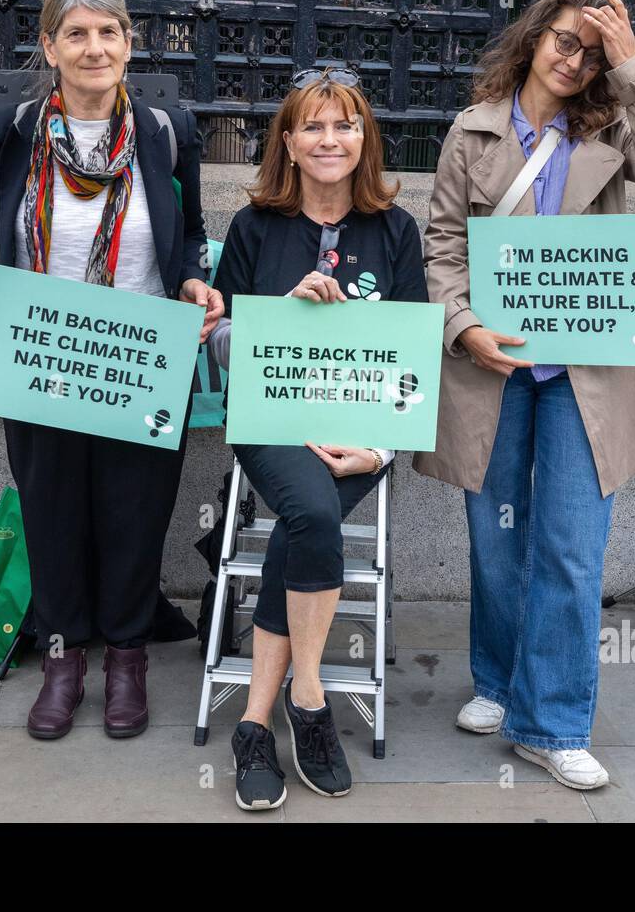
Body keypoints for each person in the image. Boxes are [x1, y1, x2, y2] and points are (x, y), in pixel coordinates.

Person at [412, 0, 635, 789]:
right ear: (534, 37)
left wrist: (632, 66)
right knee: (497, 539)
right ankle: (498, 682)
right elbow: (442, 245)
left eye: (592, 51)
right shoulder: (473, 132)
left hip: (585, 372)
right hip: (491, 368)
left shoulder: (610, 126)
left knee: (570, 546)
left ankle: (556, 721)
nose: (574, 59)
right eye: (565, 40)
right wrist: (461, 326)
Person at [0, 0, 222, 741]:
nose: (94, 47)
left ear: (129, 45)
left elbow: (190, 232)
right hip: (39, 358)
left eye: (109, 32)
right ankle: (65, 663)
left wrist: (195, 282)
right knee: (53, 512)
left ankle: (128, 659)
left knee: (137, 516)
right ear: (50, 45)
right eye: (77, 33)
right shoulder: (9, 135)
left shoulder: (169, 131)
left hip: (141, 358)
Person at [207, 67, 428, 810]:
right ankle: (307, 699)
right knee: (311, 513)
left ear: (364, 139)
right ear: (289, 143)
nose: (329, 139)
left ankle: (253, 728)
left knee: (308, 518)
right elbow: (221, 342)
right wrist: (282, 312)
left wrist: (382, 451)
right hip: (272, 421)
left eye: (345, 125)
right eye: (313, 126)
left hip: (359, 434)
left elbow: (412, 360)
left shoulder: (396, 231)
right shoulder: (255, 227)